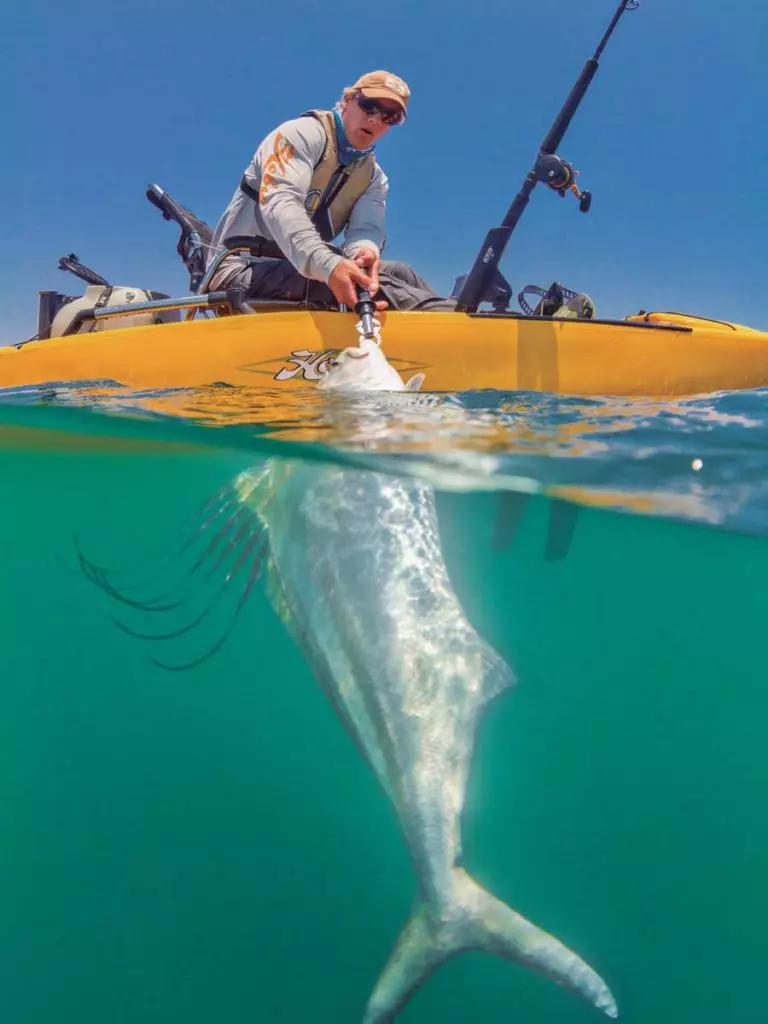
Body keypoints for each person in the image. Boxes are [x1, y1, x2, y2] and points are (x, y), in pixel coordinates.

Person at [203, 70, 455, 312]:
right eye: (370, 106)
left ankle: (460, 324)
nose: (377, 120)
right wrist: (329, 265)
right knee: (374, 287)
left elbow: (365, 230)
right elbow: (282, 204)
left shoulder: (374, 178)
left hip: (302, 270)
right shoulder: (299, 134)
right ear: (347, 100)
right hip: (240, 269)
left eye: (391, 116)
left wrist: (363, 252)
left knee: (402, 273)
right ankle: (456, 321)